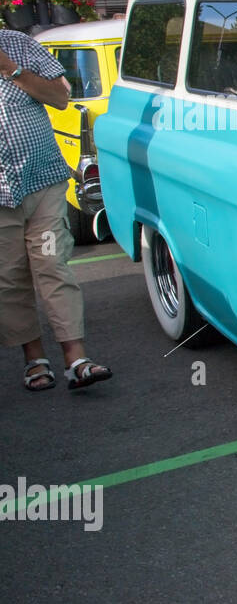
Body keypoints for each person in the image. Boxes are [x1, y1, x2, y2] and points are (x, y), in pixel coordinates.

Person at [0, 28, 111, 390]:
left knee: (51, 264)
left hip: (42, 184)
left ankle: (76, 359)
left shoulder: (18, 43)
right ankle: (35, 359)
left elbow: (60, 98)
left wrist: (11, 69)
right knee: (10, 279)